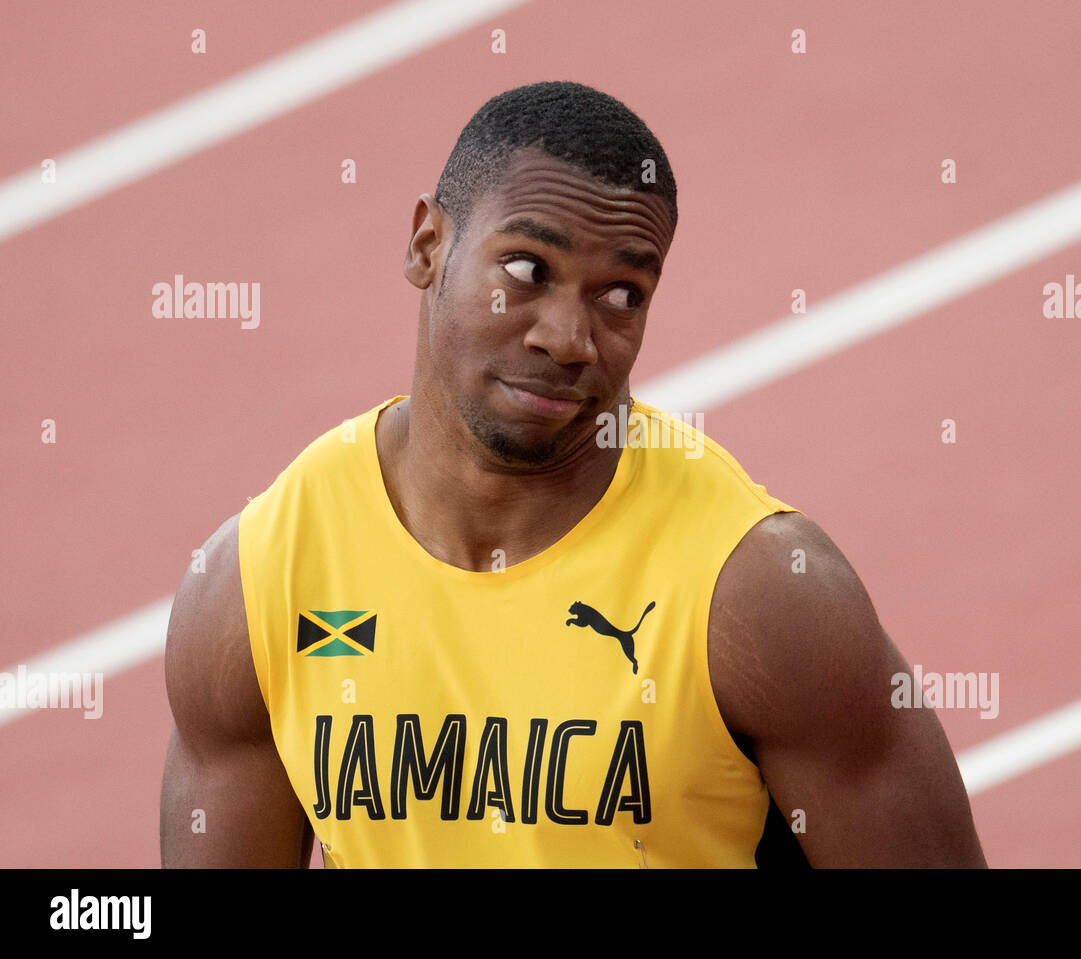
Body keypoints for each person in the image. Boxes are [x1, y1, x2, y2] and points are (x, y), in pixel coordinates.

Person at [160, 81, 986, 868]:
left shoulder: (759, 592)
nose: (569, 336)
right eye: (526, 271)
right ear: (426, 246)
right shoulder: (258, 582)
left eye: (622, 293)